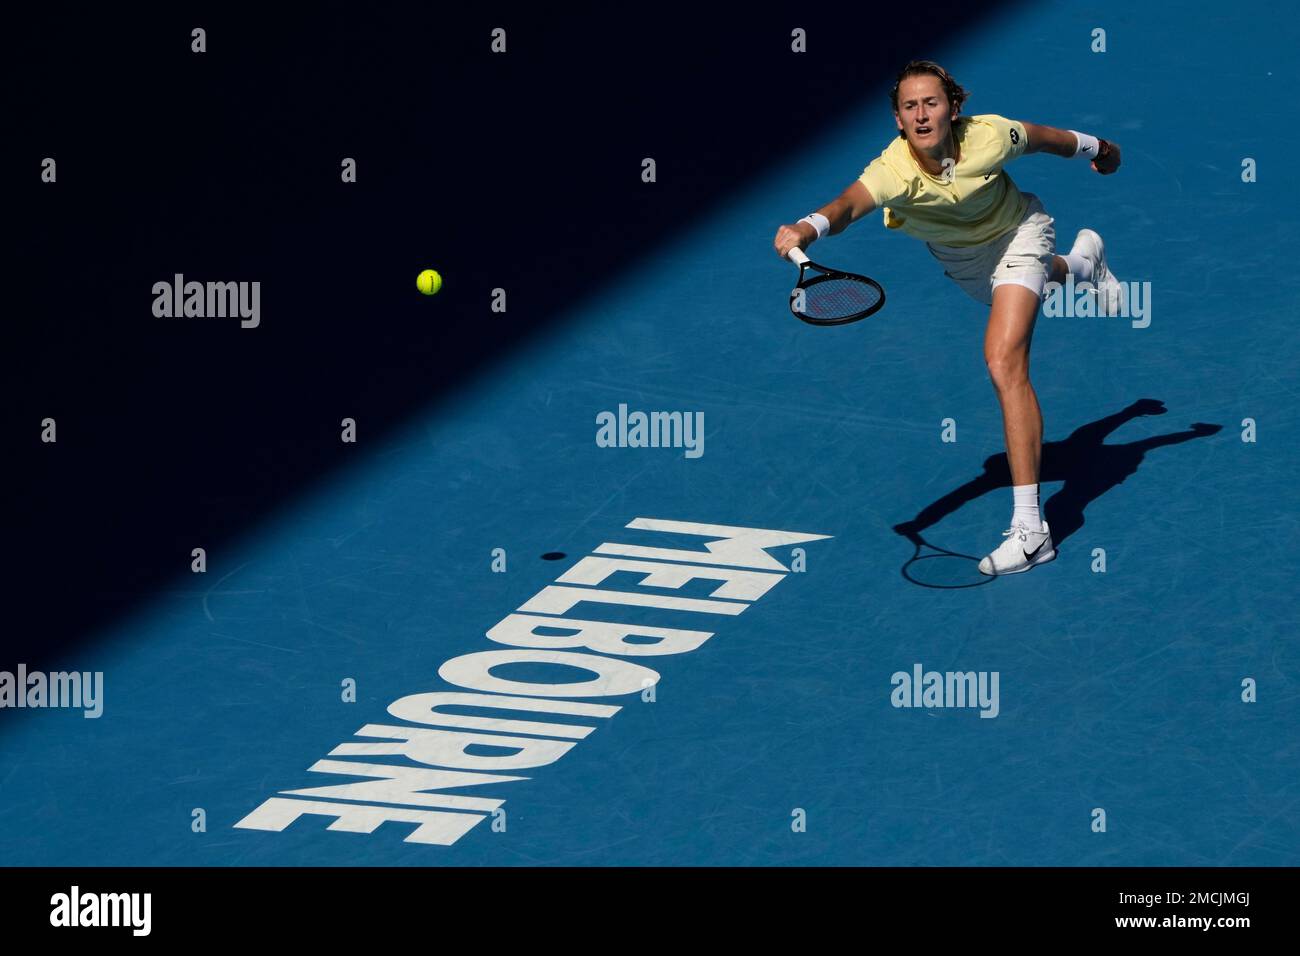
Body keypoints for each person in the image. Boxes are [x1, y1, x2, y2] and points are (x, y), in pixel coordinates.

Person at [773, 60, 1123, 575]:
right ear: (898, 118)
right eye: (909, 106)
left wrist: (1103, 150)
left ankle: (1032, 532)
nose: (920, 115)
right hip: (965, 262)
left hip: (1020, 232)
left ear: (953, 109)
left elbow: (1048, 138)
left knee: (1003, 359)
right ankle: (1082, 264)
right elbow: (848, 205)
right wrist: (807, 227)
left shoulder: (989, 136)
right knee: (1015, 291)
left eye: (931, 103)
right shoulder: (892, 171)